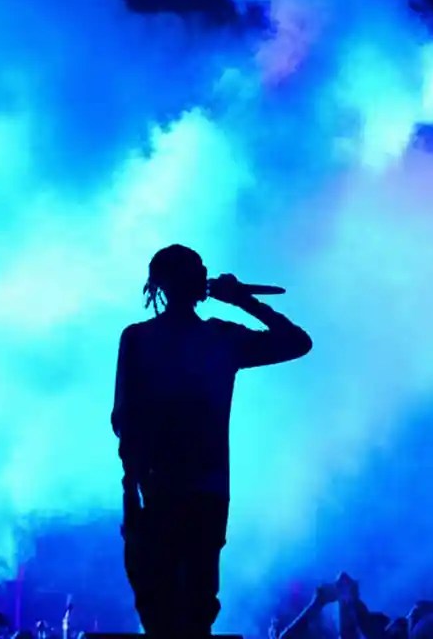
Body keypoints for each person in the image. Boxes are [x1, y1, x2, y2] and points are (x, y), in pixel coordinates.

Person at [112, 244, 313, 638]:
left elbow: (123, 418)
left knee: (167, 601)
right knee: (189, 601)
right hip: (189, 487)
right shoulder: (215, 338)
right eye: (193, 270)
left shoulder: (193, 337)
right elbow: (125, 418)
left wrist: (133, 479)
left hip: (168, 487)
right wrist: (244, 302)